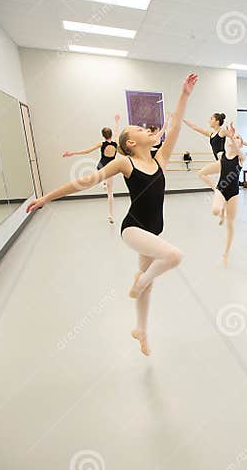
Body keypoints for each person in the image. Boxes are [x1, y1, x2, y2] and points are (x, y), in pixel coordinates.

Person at [28, 73, 199, 356]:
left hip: (154, 229)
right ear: (130, 143)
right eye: (140, 130)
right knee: (173, 257)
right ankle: (138, 283)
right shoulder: (124, 162)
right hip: (133, 229)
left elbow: (177, 124)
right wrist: (46, 197)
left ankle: (141, 330)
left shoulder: (161, 159)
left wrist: (184, 94)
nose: (147, 130)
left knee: (150, 283)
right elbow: (86, 181)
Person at [198, 122, 245, 266]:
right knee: (215, 211)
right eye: (233, 137)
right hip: (221, 189)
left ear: (240, 144)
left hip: (234, 194)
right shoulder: (221, 156)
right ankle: (221, 209)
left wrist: (231, 137)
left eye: (237, 138)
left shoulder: (241, 158)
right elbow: (202, 173)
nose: (234, 139)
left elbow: (237, 150)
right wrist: (214, 188)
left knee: (230, 224)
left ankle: (226, 253)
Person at [62, 114, 120, 223]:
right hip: (112, 168)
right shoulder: (116, 142)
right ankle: (111, 215)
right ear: (111, 134)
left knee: (100, 179)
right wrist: (117, 122)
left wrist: (72, 153)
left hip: (102, 167)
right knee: (110, 192)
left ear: (103, 135)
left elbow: (87, 151)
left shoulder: (102, 143)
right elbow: (117, 132)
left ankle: (103, 183)